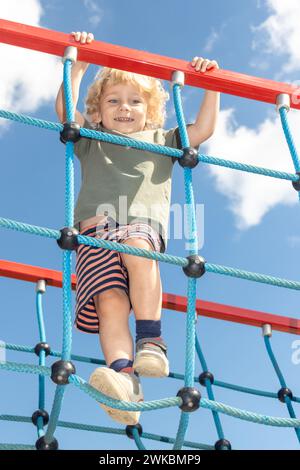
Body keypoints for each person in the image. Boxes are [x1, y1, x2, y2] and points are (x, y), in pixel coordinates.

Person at [55, 31, 220, 426]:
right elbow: (65, 114)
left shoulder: (162, 139)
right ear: (97, 111)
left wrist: (210, 85)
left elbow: (202, 131)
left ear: (150, 111)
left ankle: (152, 341)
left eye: (134, 101)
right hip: (93, 235)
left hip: (139, 227)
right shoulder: (91, 138)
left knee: (136, 248)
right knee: (108, 302)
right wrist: (75, 70)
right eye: (113, 101)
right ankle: (124, 380)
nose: (124, 108)